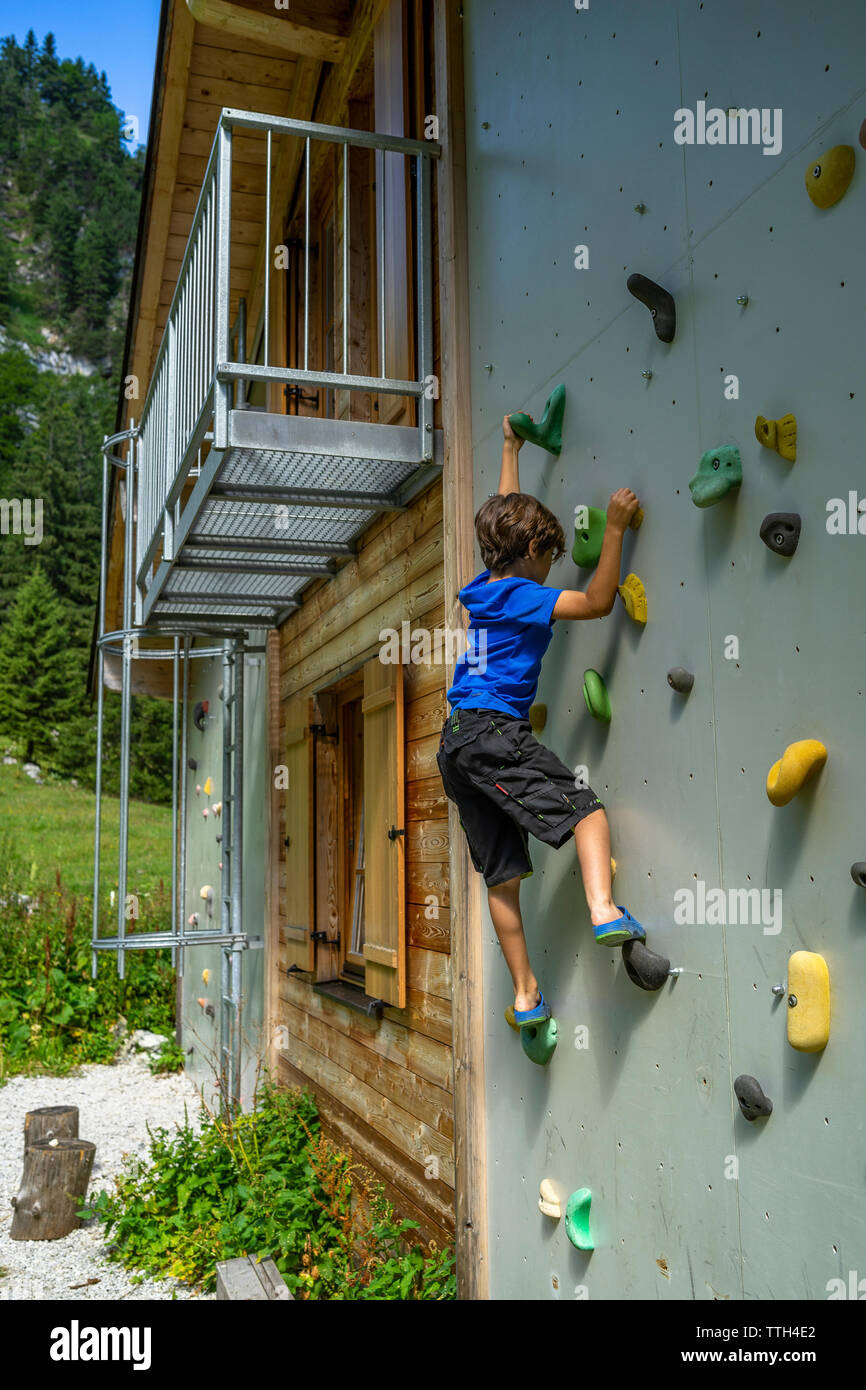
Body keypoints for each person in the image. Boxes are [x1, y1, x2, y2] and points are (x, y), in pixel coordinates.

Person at [437, 411, 645, 1027]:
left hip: (454, 742)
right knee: (587, 810)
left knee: (501, 878)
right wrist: (614, 531)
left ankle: (527, 997)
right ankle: (604, 910)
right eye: (551, 555)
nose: (554, 566)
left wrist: (509, 445)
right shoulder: (527, 594)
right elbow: (600, 601)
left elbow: (503, 506)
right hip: (492, 732)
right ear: (532, 551)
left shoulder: (484, 584)